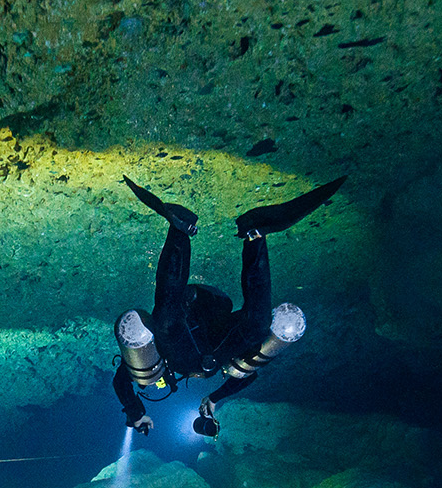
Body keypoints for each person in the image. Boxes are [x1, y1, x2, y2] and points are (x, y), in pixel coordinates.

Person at [111, 174, 345, 437]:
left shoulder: (164, 362)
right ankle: (255, 233)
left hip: (191, 328)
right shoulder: (215, 370)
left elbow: (121, 380)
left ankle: (179, 230)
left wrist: (136, 412)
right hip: (215, 343)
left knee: (166, 322)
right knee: (257, 327)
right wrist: (213, 399)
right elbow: (249, 374)